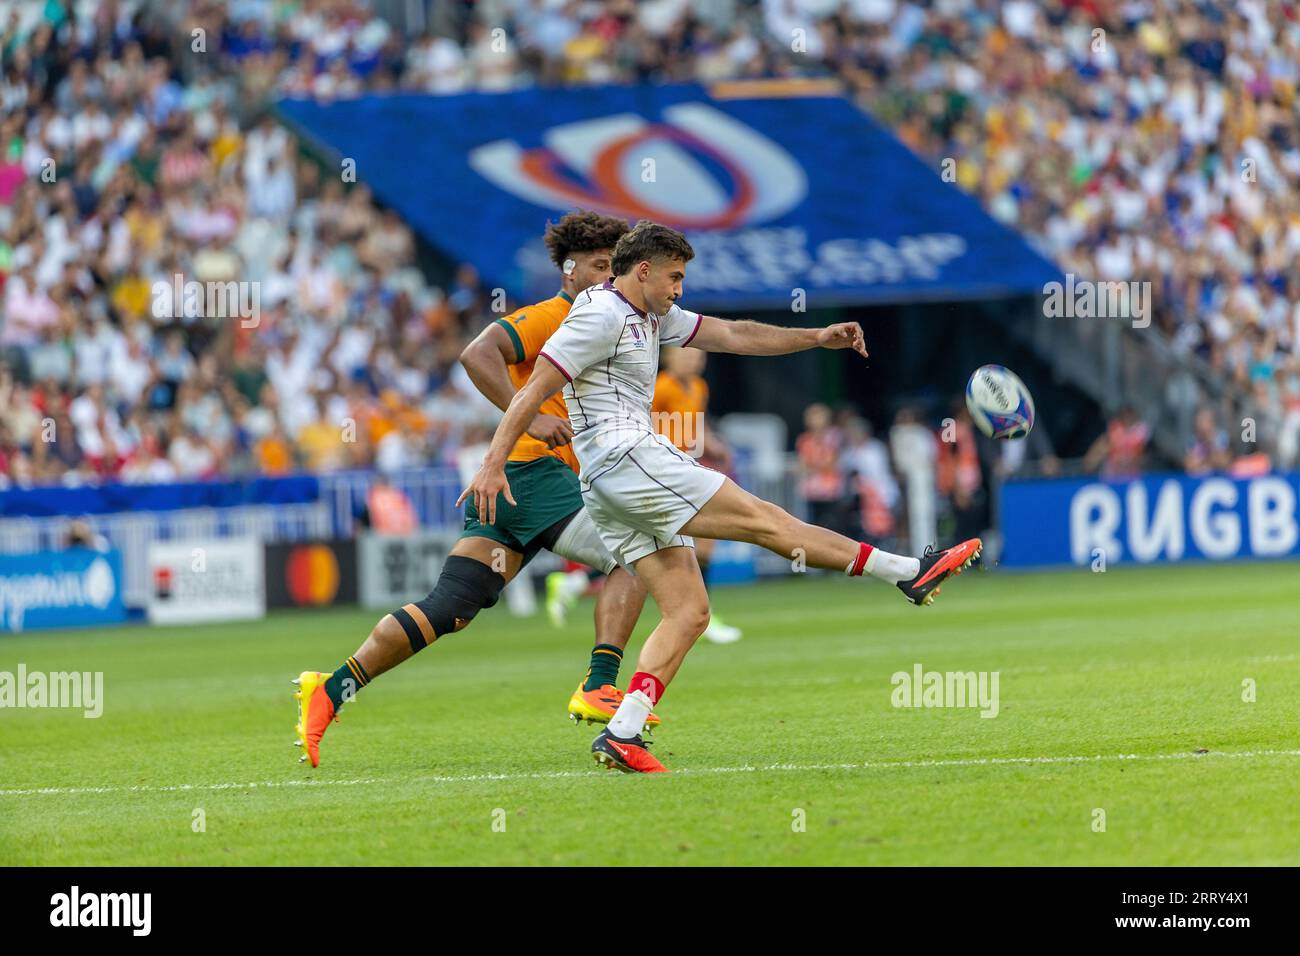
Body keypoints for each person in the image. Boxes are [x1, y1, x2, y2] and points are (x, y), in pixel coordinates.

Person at [458, 220, 982, 773]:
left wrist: (815, 336)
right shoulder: (599, 313)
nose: (679, 288)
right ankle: (906, 572)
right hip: (627, 458)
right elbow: (536, 388)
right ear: (642, 271)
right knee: (766, 522)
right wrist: (494, 464)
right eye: (675, 277)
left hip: (609, 479)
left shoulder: (649, 314)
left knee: (687, 611)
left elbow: (732, 335)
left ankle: (623, 732)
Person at [291, 211, 659, 769]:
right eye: (599, 267)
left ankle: (333, 688)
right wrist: (530, 418)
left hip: (513, 481)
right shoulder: (555, 316)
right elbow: (476, 353)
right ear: (568, 272)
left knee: (449, 609)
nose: (609, 278)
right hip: (535, 473)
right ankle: (601, 683)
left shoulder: (607, 319)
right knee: (640, 550)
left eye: (615, 268)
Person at [650, 345, 742, 643]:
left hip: (686, 472)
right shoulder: (661, 387)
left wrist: (713, 444)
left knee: (701, 546)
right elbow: (647, 426)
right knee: (655, 549)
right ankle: (701, 616)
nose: (694, 360)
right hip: (662, 473)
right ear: (668, 358)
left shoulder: (698, 387)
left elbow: (695, 426)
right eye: (686, 355)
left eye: (698, 356)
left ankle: (702, 615)